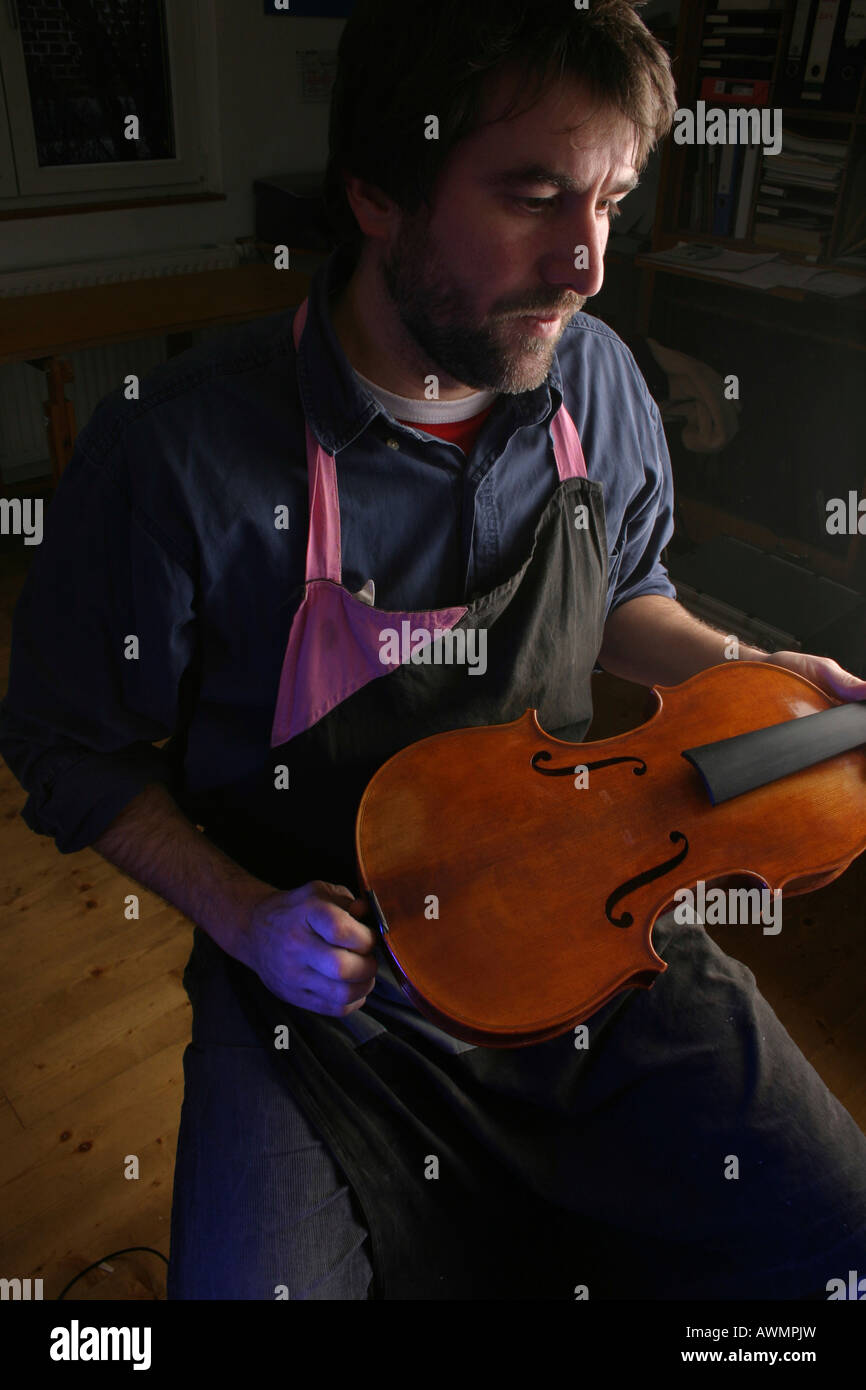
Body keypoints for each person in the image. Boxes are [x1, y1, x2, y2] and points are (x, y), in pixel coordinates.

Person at [2, 0, 865, 1301]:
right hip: (325, 984)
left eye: (611, 200)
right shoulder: (174, 455)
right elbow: (68, 748)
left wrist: (742, 667)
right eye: (532, 197)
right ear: (376, 193)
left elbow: (622, 592)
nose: (584, 263)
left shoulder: (601, 382)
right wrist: (246, 919)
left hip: (592, 902)